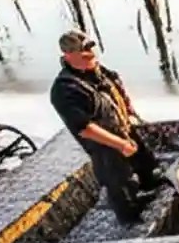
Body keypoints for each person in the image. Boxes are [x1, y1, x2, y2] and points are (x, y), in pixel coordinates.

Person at [49, 28, 162, 225]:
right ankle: (130, 221)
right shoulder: (65, 89)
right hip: (102, 143)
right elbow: (84, 128)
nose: (90, 55)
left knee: (146, 163)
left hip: (123, 127)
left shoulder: (98, 71)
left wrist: (130, 112)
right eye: (83, 52)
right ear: (68, 55)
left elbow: (116, 91)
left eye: (91, 48)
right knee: (118, 182)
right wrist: (120, 145)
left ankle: (147, 191)